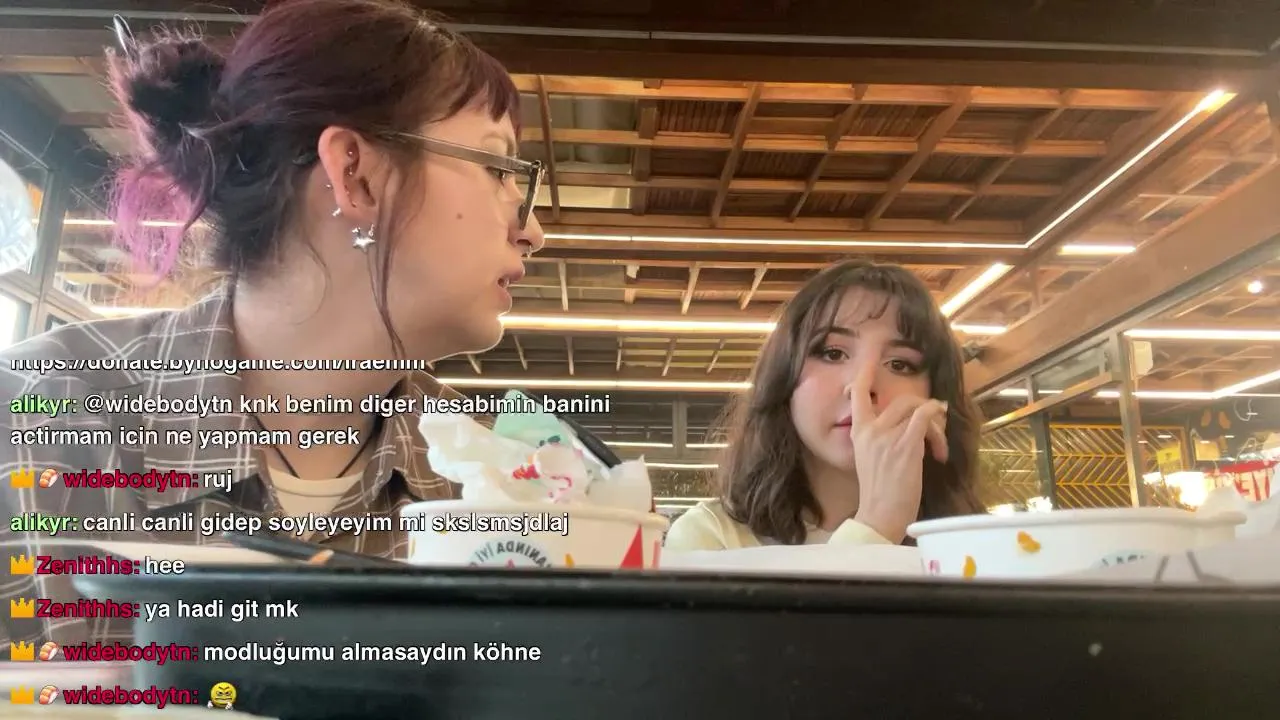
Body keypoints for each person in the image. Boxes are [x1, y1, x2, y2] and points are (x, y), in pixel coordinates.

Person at [0, 0, 544, 650]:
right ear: (356, 175)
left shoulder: (495, 483)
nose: (532, 231)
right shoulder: (33, 428)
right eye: (498, 169)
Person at [664, 261, 985, 551]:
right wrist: (877, 525)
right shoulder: (711, 537)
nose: (861, 387)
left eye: (900, 364)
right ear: (783, 378)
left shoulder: (981, 544)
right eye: (832, 354)